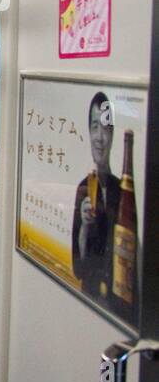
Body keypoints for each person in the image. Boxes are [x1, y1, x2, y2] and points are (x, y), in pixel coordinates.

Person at [71, 92, 120, 304]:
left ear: (113, 135)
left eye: (106, 128)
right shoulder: (84, 188)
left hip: (118, 302)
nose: (100, 137)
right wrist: (84, 228)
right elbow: (78, 269)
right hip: (90, 297)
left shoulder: (122, 189)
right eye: (94, 127)